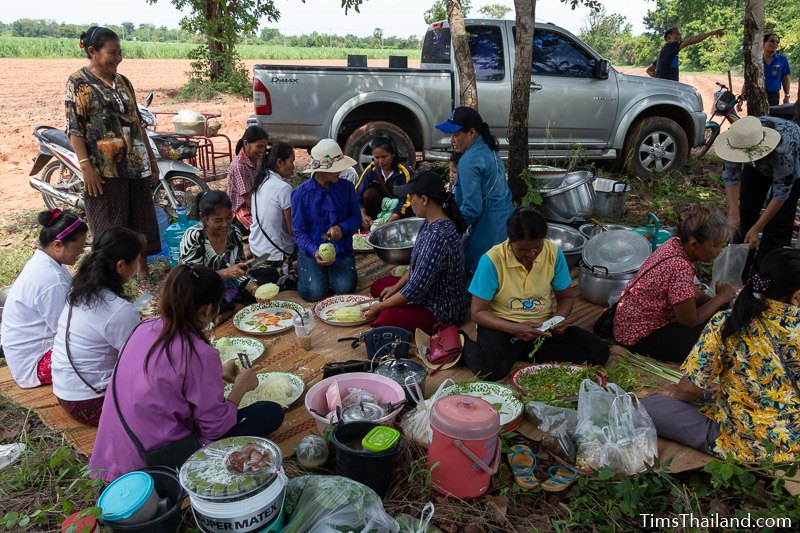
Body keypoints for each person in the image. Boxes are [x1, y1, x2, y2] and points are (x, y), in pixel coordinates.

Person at [90, 264, 285, 482]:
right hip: (151, 465)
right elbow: (216, 428)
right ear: (206, 310)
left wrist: (216, 374)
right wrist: (240, 387)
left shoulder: (145, 328)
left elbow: (168, 382)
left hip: (114, 455)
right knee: (269, 412)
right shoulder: (199, 352)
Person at [641, 249, 800, 463]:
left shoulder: (728, 322)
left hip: (744, 444)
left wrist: (672, 395)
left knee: (649, 406)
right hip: (794, 444)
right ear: (796, 297)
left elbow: (689, 389)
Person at [462, 208, 609, 381]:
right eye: (522, 250)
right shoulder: (492, 261)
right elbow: (478, 313)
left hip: (542, 328)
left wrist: (557, 320)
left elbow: (566, 297)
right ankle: (462, 342)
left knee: (599, 353)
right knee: (490, 370)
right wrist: (515, 328)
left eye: (537, 247)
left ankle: (520, 351)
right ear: (510, 241)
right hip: (502, 327)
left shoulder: (553, 253)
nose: (531, 254)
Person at [65, 26, 161, 278]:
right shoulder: (79, 82)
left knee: (141, 218)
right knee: (110, 225)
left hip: (135, 163)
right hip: (104, 169)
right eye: (112, 52)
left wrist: (151, 159)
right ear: (92, 52)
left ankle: (142, 271)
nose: (118, 58)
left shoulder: (123, 81)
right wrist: (86, 167)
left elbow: (137, 122)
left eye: (120, 52)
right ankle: (109, 275)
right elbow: (75, 129)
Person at [613, 207, 738, 363]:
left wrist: (718, 301)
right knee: (718, 335)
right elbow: (690, 320)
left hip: (626, 327)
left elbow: (690, 294)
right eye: (715, 245)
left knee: (718, 319)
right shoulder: (679, 266)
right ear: (694, 244)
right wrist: (720, 298)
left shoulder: (674, 244)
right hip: (638, 337)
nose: (719, 251)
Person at [50, 228, 143, 426]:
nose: (137, 267)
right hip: (92, 404)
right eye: (136, 260)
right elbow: (143, 362)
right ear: (120, 265)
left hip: (66, 393)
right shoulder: (119, 311)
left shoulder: (80, 290)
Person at [363, 171, 468, 333]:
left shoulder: (438, 236)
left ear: (424, 200)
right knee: (379, 287)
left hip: (442, 310)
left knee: (383, 318)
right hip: (427, 293)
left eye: (411, 197)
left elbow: (414, 289)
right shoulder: (429, 223)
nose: (409, 202)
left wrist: (381, 306)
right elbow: (416, 266)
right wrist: (396, 286)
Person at [1, 210, 88, 388]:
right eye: (78, 247)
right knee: (96, 352)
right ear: (58, 245)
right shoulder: (51, 280)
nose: (81, 251)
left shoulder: (47, 263)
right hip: (34, 364)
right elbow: (66, 331)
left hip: (27, 354)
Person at [715, 115, 800, 273]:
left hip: (789, 164)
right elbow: (731, 177)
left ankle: (762, 279)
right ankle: (735, 275)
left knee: (777, 226)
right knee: (744, 215)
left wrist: (758, 227)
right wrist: (734, 214)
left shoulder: (784, 149)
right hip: (756, 166)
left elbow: (781, 193)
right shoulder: (736, 139)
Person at [436, 106, 514, 274]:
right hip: (505, 224)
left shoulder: (469, 161)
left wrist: (447, 230)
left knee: (479, 277)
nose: (452, 140)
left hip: (487, 230)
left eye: (456, 135)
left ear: (471, 133)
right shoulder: (489, 149)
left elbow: (472, 209)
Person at [291, 139, 361, 302]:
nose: (341, 171)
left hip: (341, 251)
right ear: (320, 171)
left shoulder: (347, 188)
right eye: (336, 169)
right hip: (311, 252)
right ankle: (302, 267)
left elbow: (356, 219)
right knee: (314, 292)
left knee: (344, 289)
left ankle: (326, 276)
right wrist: (314, 251)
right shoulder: (301, 195)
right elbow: (299, 232)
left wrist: (342, 228)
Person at [180, 191, 266, 319]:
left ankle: (230, 308)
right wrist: (225, 273)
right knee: (200, 301)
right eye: (218, 220)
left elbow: (239, 271)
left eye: (229, 217)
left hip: (228, 285)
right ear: (203, 217)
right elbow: (191, 277)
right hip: (203, 290)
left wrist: (255, 289)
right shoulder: (194, 236)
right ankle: (229, 309)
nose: (225, 224)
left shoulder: (234, 232)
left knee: (269, 274)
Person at [249, 142, 296, 264]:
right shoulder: (283, 188)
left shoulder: (260, 181)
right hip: (275, 254)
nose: (294, 167)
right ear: (280, 162)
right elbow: (292, 230)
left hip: (257, 248)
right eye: (291, 161)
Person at [354, 136, 414, 228]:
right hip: (379, 210)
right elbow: (356, 193)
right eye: (377, 157)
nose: (380, 161)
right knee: (369, 194)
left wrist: (389, 222)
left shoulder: (404, 171)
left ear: (393, 154)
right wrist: (363, 214)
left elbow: (406, 200)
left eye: (384, 156)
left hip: (398, 212)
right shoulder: (371, 169)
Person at [227, 125, 270, 233]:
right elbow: (248, 199)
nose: (263, 151)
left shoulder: (257, 160)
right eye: (259, 146)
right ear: (246, 144)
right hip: (242, 211)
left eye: (265, 147)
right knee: (266, 228)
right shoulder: (239, 166)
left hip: (256, 204)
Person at [737, 34, 792, 109]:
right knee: (755, 119)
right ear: (763, 44)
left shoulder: (782, 60)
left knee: (770, 119)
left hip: (773, 97)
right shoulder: (756, 60)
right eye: (772, 41)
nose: (775, 44)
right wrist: (742, 98)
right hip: (755, 96)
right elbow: (748, 80)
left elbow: (785, 78)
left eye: (777, 42)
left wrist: (787, 96)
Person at [654, 26, 724, 82]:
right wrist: (712, 33)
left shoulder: (665, 53)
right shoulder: (671, 46)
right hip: (669, 89)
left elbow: (650, 70)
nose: (680, 37)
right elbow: (690, 41)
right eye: (677, 34)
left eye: (680, 34)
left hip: (667, 88)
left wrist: (661, 81)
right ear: (669, 38)